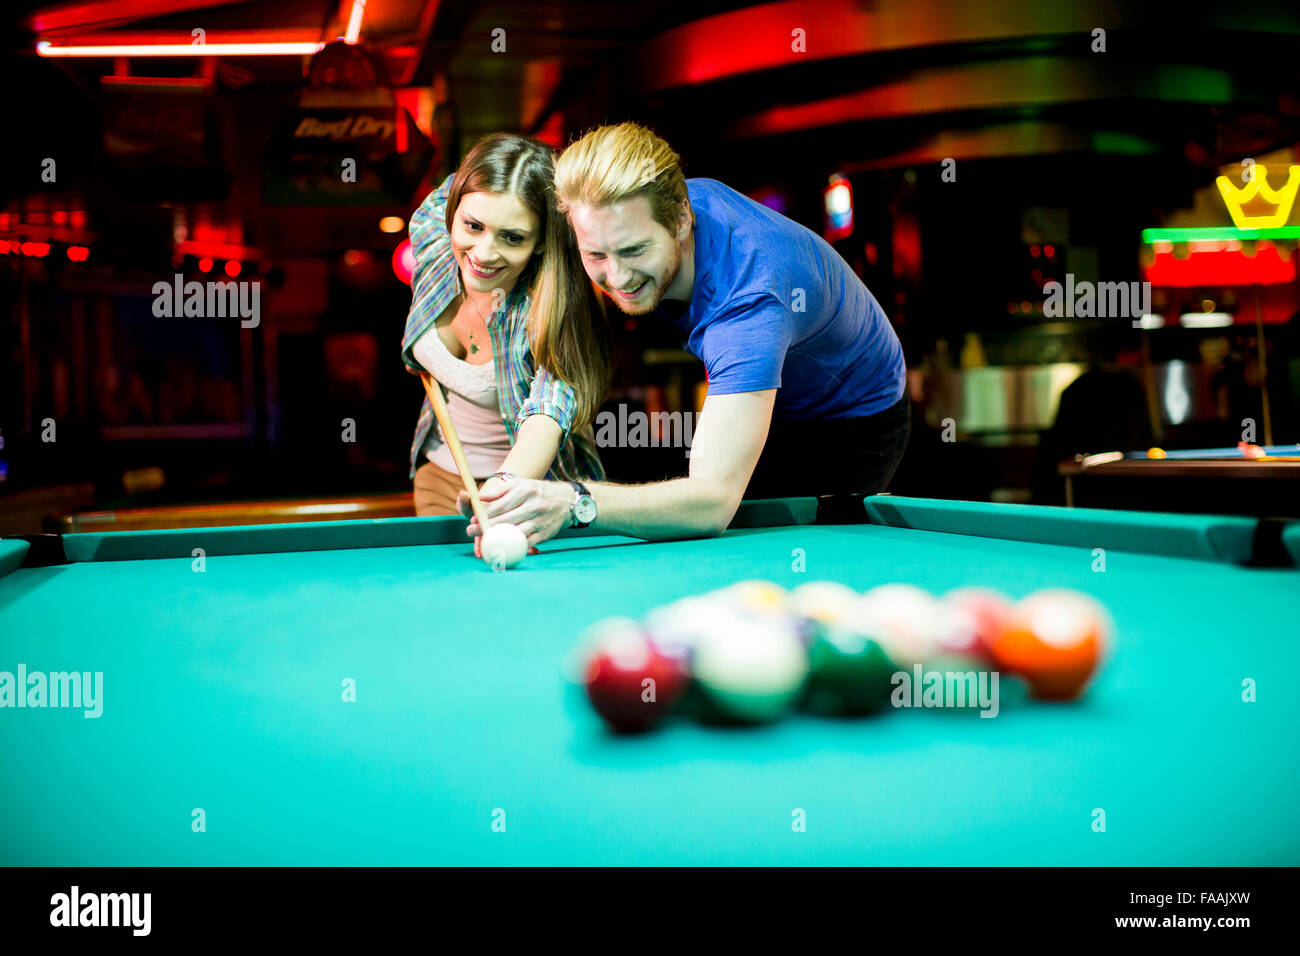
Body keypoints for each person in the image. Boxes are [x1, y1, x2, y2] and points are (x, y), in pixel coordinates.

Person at [459, 122, 908, 547]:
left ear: (680, 220)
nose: (616, 277)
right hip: (764, 396)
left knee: (780, 562)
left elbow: (711, 503)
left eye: (634, 250)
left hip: (847, 423)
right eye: (596, 254)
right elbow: (561, 381)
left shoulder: (750, 298)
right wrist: (507, 485)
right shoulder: (614, 217)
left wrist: (573, 500)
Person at [401, 134, 610, 521]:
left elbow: (549, 411)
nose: (483, 253)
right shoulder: (435, 243)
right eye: (473, 225)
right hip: (437, 474)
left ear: (543, 242)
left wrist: (505, 493)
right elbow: (453, 188)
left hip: (533, 490)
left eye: (512, 237)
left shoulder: (551, 311)